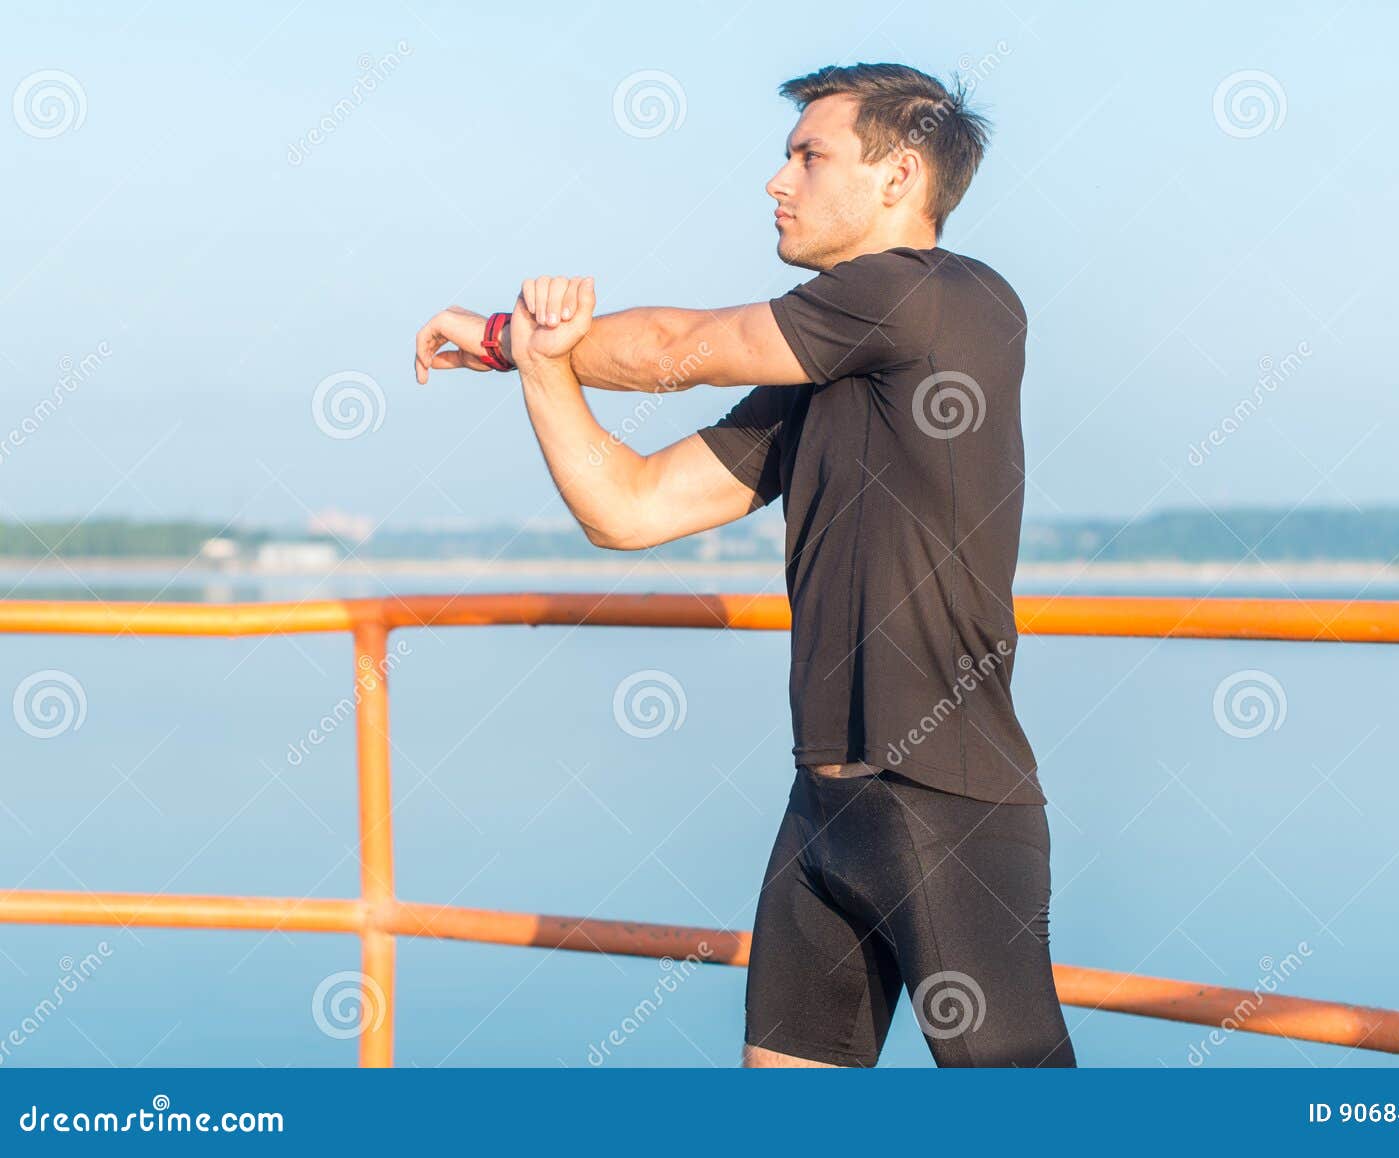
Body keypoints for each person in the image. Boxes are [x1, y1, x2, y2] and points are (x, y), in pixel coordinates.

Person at [413, 62, 1076, 1068]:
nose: (778, 181)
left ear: (897, 176)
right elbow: (627, 511)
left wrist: (511, 338)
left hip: (945, 803)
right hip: (825, 808)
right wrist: (543, 375)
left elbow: (682, 344)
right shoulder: (821, 372)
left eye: (809, 157)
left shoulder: (939, 296)